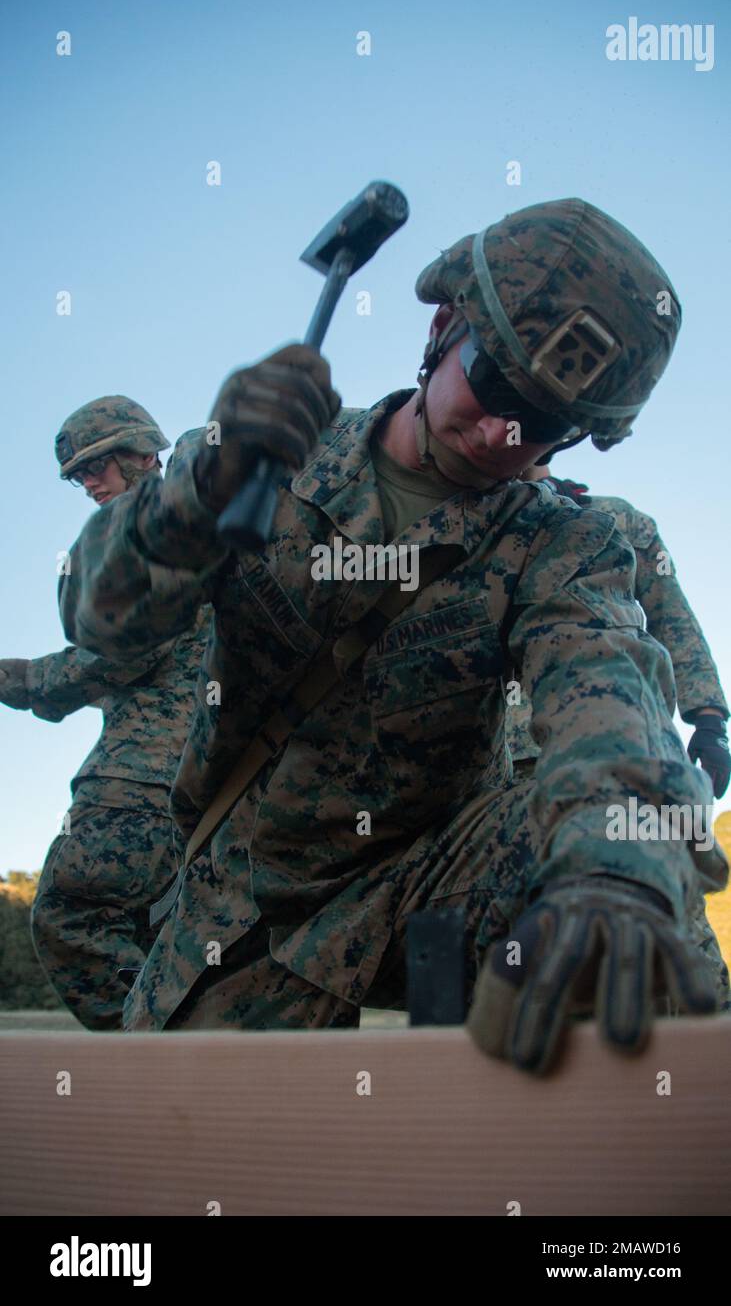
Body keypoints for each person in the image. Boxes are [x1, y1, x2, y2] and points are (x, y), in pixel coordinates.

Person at [58, 198, 728, 1074]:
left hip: (436, 886)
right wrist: (192, 492)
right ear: (444, 326)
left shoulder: (562, 539)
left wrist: (619, 866)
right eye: (493, 383)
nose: (501, 433)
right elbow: (99, 617)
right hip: (246, 899)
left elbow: (603, 687)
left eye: (544, 421)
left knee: (629, 903)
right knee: (195, 1164)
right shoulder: (265, 467)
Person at [0, 398, 211, 1029]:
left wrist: (27, 678)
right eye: (78, 475)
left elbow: (121, 653)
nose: (88, 483)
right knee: (164, 934)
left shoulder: (167, 531)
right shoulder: (194, 519)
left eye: (97, 466)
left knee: (72, 912)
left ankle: (154, 1058)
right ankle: (194, 1070)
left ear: (144, 452)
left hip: (143, 781)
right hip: (197, 778)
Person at [504, 468, 730, 1005]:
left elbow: (672, 616)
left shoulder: (615, 519)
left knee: (662, 889)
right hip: (504, 760)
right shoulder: (476, 523)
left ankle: (709, 1046)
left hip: (623, 747)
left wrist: (709, 719)